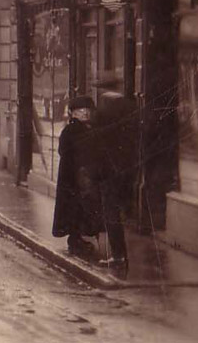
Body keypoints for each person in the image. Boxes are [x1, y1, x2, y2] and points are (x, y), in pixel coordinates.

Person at [52, 96, 102, 257]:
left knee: (78, 208)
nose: (85, 113)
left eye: (87, 111)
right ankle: (75, 239)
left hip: (78, 176)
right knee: (75, 208)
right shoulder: (72, 130)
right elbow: (65, 152)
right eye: (81, 111)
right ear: (73, 113)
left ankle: (77, 238)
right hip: (73, 177)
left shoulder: (86, 129)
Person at [94, 90, 136, 273]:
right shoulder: (130, 114)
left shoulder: (103, 118)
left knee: (110, 213)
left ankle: (118, 255)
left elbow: (98, 146)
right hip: (127, 172)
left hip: (109, 174)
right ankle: (120, 254)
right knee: (118, 212)